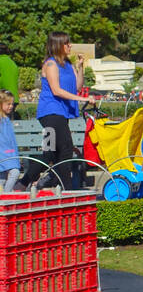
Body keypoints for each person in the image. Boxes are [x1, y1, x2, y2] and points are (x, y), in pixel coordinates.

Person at [18, 32, 93, 189]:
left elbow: (77, 87)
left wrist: (80, 67)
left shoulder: (68, 65)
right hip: (50, 114)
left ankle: (23, 183)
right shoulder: (51, 64)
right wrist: (83, 99)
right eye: (67, 43)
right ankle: (66, 187)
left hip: (61, 113)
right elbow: (57, 90)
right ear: (58, 45)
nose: (70, 46)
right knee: (65, 149)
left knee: (50, 152)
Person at [0, 89, 20, 192]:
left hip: (10, 153)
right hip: (2, 153)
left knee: (14, 172)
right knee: (3, 178)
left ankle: (5, 194)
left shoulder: (6, 119)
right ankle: (5, 195)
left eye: (12, 104)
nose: (11, 106)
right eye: (8, 104)